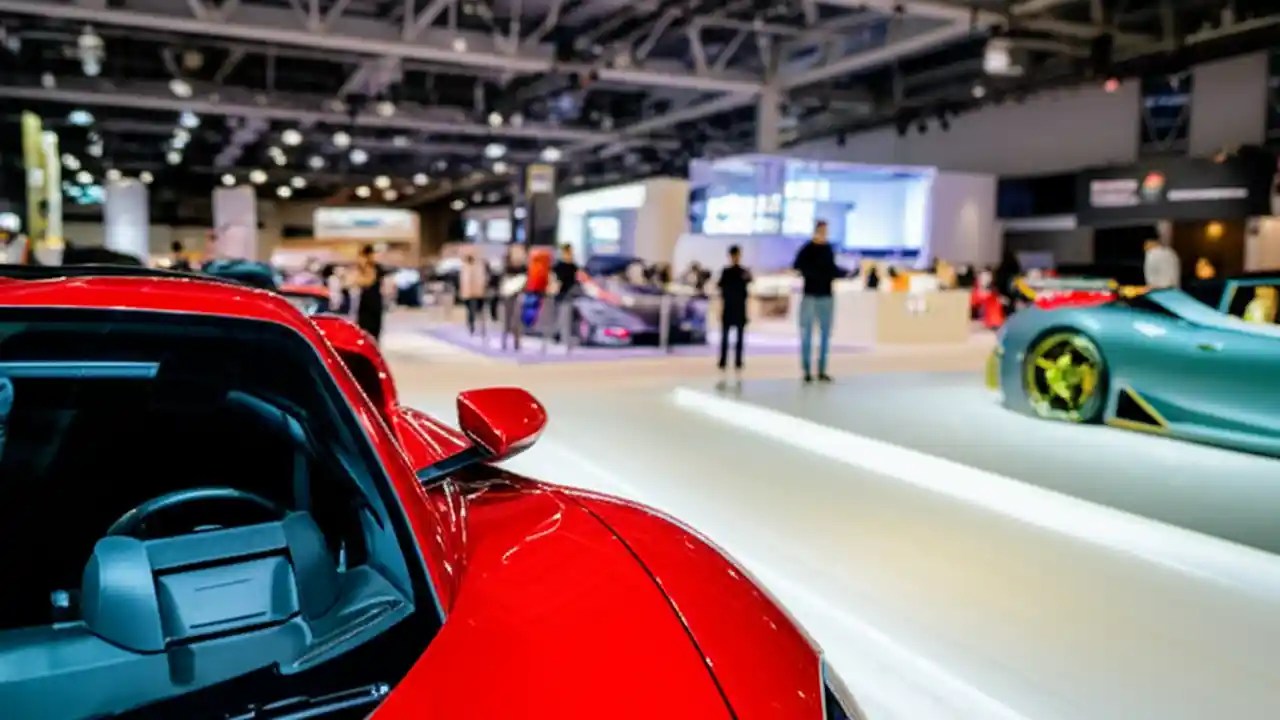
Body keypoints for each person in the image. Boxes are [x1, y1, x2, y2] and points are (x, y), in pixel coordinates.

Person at [792, 220, 841, 383]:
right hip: (811, 295)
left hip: (826, 294)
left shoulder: (828, 249)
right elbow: (798, 266)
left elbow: (832, 269)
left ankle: (821, 370)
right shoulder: (808, 249)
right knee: (807, 333)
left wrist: (845, 273)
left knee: (825, 334)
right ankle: (806, 370)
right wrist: (813, 274)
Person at [717, 245, 752, 381]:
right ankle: (724, 360)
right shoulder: (727, 272)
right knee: (725, 337)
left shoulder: (743, 273)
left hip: (739, 308)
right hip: (730, 308)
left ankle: (737, 360)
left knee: (739, 338)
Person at [350, 245, 386, 342]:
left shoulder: (376, 268)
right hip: (365, 302)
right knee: (364, 330)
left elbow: (368, 281)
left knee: (374, 330)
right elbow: (355, 282)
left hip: (374, 302)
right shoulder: (362, 268)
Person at [499, 246, 528, 350]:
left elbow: (525, 280)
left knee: (516, 319)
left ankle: (516, 343)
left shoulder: (523, 268)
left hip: (518, 294)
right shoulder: (507, 266)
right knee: (507, 319)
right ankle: (505, 342)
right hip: (508, 295)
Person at [550, 244, 579, 342]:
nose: (569, 254)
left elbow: (576, 280)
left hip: (569, 294)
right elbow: (554, 279)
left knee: (565, 316)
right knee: (561, 315)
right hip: (560, 294)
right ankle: (559, 334)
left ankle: (560, 335)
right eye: (567, 252)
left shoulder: (573, 266)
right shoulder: (559, 266)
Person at [458, 252, 489, 336]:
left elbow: (482, 280)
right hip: (470, 294)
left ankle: (478, 327)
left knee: (476, 311)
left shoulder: (477, 267)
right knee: (471, 311)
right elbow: (463, 282)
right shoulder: (465, 268)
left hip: (476, 293)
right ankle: (472, 326)